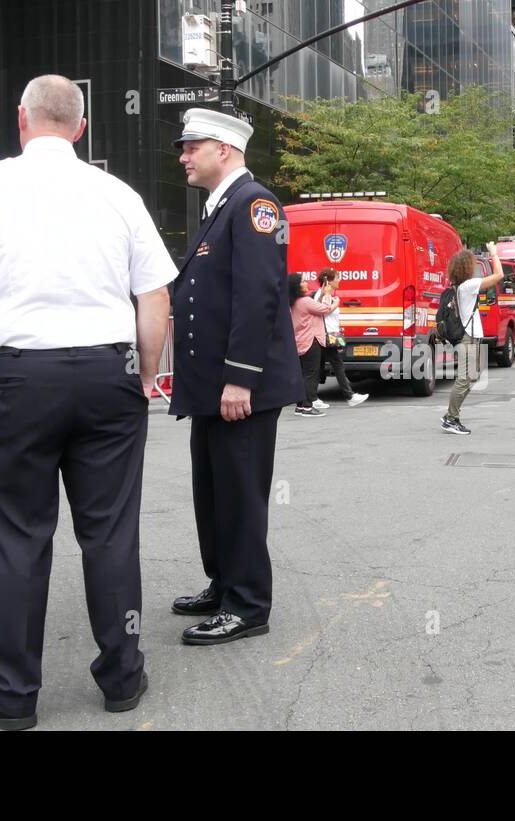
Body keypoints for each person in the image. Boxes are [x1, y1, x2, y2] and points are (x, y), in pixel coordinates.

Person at [0, 75, 174, 728]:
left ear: (21, 120)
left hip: (16, 379)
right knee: (111, 533)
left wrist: (0, 293)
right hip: (107, 375)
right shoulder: (118, 194)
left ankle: (11, 695)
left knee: (16, 539)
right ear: (81, 127)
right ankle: (122, 675)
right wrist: (145, 375)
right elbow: (155, 300)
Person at [167, 107, 304, 649]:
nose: (182, 156)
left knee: (240, 494)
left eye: (190, 146)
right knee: (213, 491)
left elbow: (258, 295)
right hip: (212, 386)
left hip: (239, 385)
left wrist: (240, 379)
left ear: (222, 149)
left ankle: (247, 604)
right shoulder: (221, 207)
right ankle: (223, 582)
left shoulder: (254, 205)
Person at [441, 244, 505, 435]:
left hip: (471, 337)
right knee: (464, 378)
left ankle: (452, 416)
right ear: (466, 268)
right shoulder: (468, 286)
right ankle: (450, 418)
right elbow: (499, 275)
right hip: (467, 337)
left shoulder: (460, 286)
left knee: (472, 376)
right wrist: (494, 254)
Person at [309, 269, 367, 409]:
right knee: (336, 365)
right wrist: (336, 303)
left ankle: (311, 398)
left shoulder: (325, 294)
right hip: (327, 335)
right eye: (337, 277)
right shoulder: (326, 294)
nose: (339, 280)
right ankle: (349, 396)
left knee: (318, 368)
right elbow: (324, 310)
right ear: (328, 280)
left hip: (327, 335)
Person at [289, 273, 337, 417]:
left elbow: (316, 306)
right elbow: (325, 309)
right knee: (311, 375)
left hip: (300, 341)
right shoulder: (305, 301)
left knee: (304, 375)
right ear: (297, 286)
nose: (306, 283)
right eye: (303, 281)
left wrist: (322, 293)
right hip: (311, 341)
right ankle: (308, 407)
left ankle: (300, 405)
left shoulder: (294, 301)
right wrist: (329, 297)